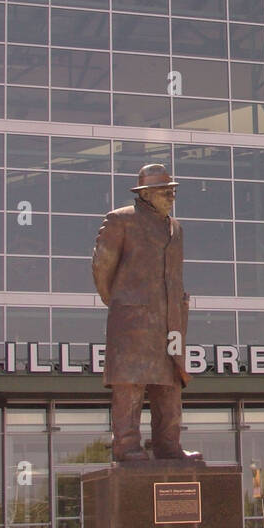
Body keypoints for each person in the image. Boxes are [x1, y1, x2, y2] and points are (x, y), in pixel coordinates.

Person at [92, 164, 199, 461]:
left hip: (170, 320)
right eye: (166, 192)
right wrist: (120, 302)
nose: (171, 197)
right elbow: (102, 266)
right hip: (132, 320)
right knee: (131, 383)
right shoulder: (121, 220)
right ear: (147, 194)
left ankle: (169, 445)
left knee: (170, 384)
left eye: (173, 191)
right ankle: (127, 446)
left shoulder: (176, 229)